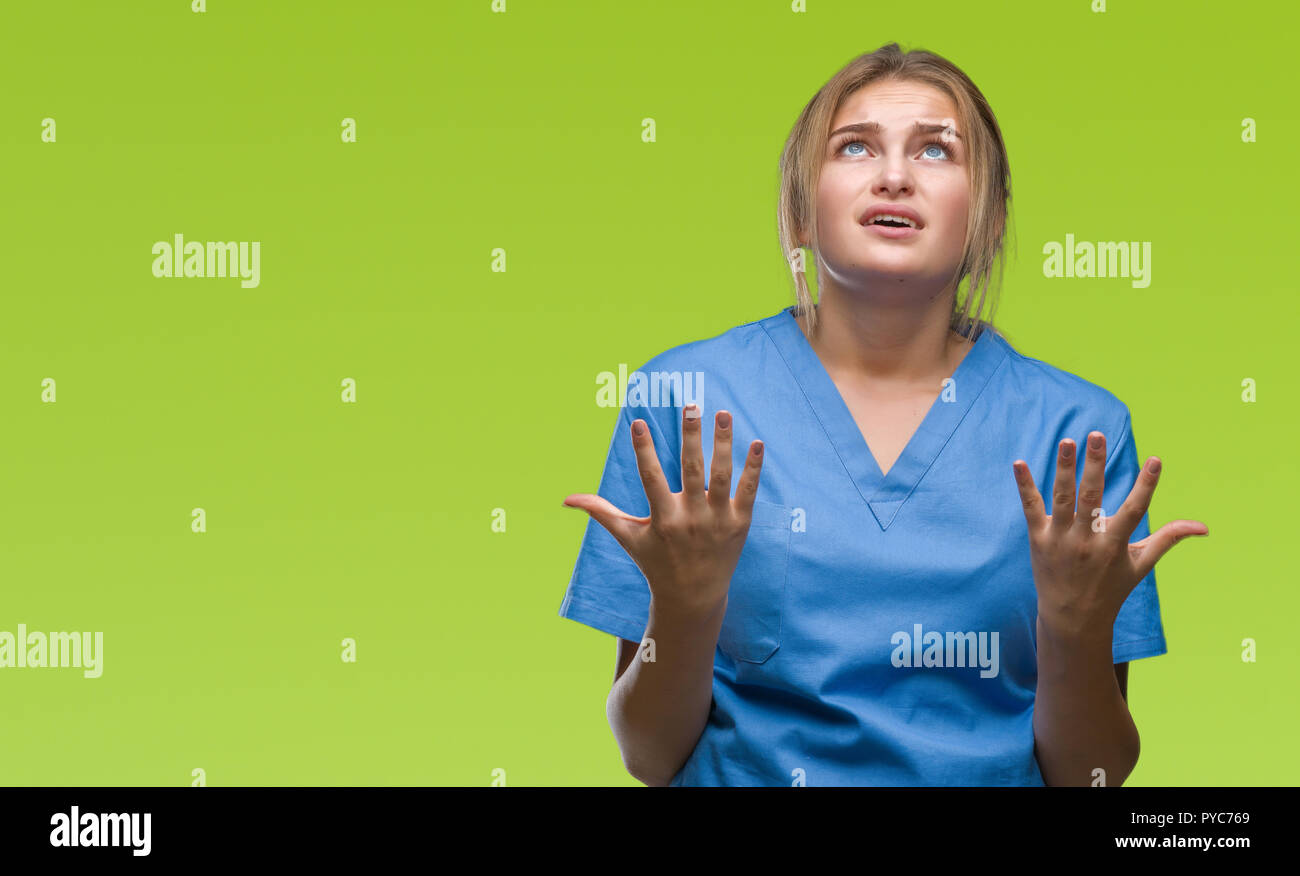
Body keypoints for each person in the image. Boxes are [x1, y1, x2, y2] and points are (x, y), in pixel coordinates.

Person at [558, 42, 1208, 787]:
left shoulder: (1078, 432)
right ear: (802, 210)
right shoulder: (684, 400)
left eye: (936, 150)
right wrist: (685, 608)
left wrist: (1072, 629)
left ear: (991, 219)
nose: (894, 176)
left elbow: (1089, 774)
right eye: (855, 146)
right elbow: (648, 756)